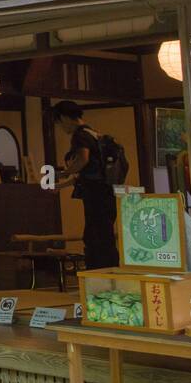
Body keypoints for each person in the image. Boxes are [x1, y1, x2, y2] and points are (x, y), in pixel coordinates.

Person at [52, 101, 117, 270]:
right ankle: (110, 272)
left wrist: (62, 173)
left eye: (59, 122)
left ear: (65, 117)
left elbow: (83, 159)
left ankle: (97, 275)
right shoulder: (94, 133)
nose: (60, 127)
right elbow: (88, 173)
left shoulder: (80, 135)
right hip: (106, 192)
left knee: (94, 236)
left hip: (95, 195)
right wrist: (62, 185)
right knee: (105, 235)